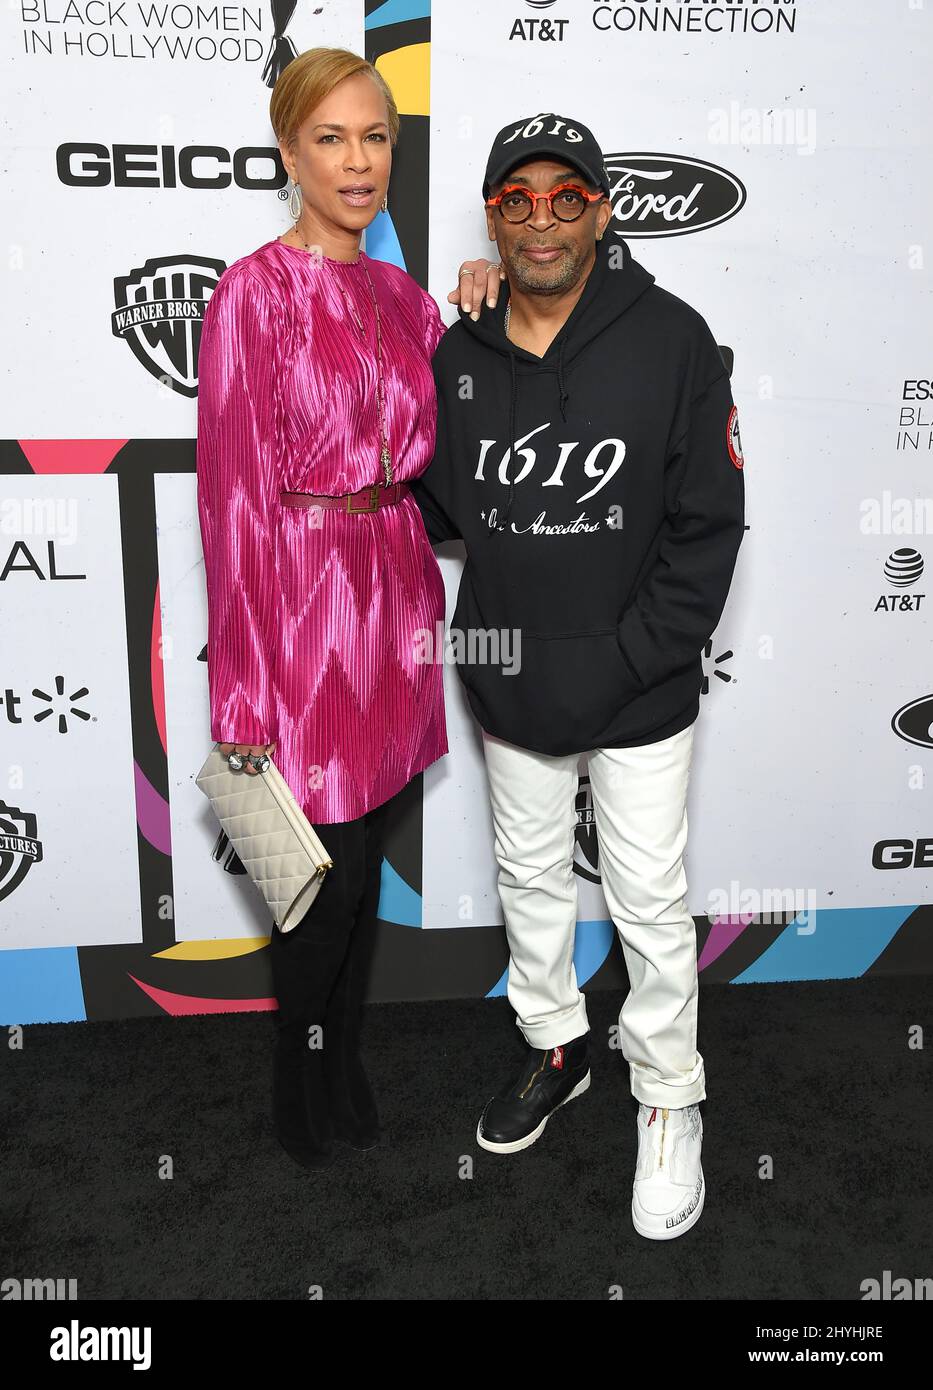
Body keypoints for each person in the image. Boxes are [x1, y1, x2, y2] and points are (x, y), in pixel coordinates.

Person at [410, 111, 746, 1238]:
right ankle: (558, 1046)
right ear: (495, 218)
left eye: (566, 197)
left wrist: (629, 657)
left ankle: (668, 1097)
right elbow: (449, 506)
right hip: (510, 674)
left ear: (601, 211)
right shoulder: (459, 352)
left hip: (640, 683)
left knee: (649, 899)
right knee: (530, 881)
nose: (541, 219)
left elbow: (708, 527)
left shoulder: (676, 339)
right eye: (518, 200)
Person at [195, 47, 500, 1170]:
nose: (359, 160)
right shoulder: (251, 291)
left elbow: (470, 419)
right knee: (315, 871)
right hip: (300, 597)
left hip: (393, 587)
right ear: (288, 152)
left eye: (375, 137)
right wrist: (243, 694)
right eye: (331, 138)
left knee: (363, 855)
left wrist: (482, 298)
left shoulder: (401, 294)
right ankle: (300, 1065)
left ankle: (346, 1053)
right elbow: (231, 502)